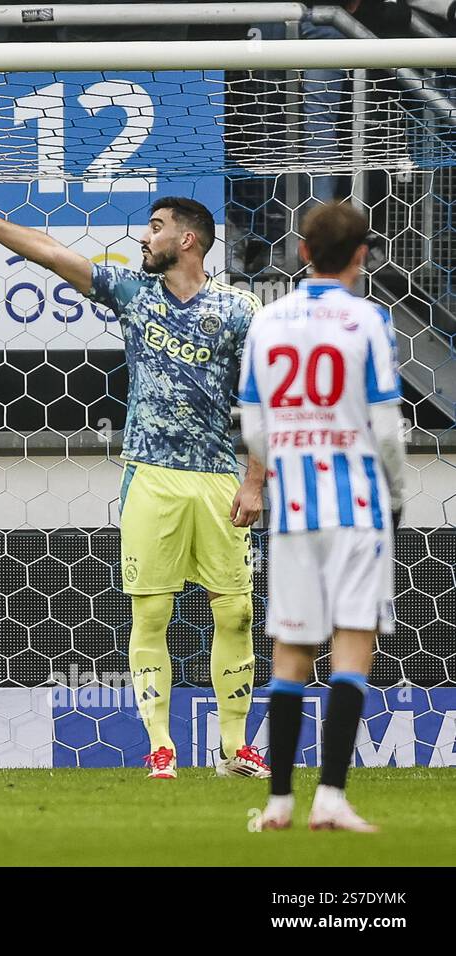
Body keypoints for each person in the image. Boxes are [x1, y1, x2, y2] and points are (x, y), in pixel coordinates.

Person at [0, 178, 270, 780]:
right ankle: (161, 747)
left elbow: (270, 399)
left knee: (236, 612)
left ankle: (234, 748)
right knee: (151, 614)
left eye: (158, 227)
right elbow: (50, 252)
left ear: (188, 239)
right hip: (150, 476)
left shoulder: (241, 310)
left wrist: (255, 481)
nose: (146, 237)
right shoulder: (133, 292)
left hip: (220, 478)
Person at [243, 201, 406, 832]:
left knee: (290, 650)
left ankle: (279, 800)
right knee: (351, 645)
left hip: (291, 508)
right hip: (356, 503)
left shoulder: (269, 320)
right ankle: (330, 797)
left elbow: (254, 425)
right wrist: (393, 494)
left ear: (302, 253)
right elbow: (388, 428)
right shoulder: (369, 321)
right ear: (362, 254)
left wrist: (283, 462)